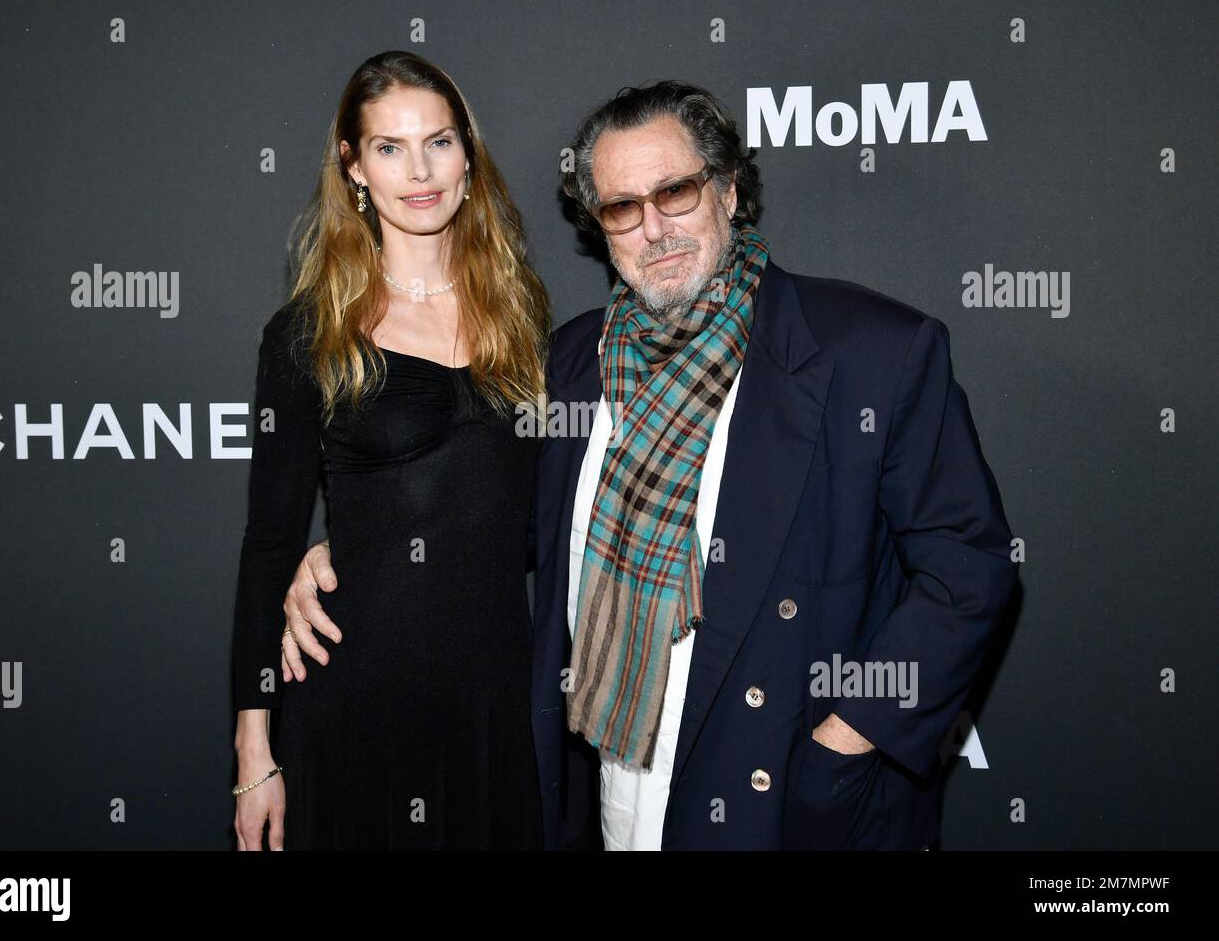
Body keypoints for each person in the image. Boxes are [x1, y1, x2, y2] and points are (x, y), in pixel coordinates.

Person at [283, 81, 1019, 851]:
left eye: (676, 191)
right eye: (622, 208)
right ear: (599, 228)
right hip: (610, 793)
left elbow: (972, 565)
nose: (655, 228)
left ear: (729, 191)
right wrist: (351, 549)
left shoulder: (868, 351)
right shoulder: (571, 363)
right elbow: (493, 521)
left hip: (780, 801)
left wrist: (851, 733)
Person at [230, 50, 550, 850]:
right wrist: (253, 754)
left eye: (439, 143)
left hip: (494, 705)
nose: (420, 170)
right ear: (353, 167)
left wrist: (363, 536)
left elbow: (537, 508)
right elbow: (270, 545)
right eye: (389, 147)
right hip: (356, 701)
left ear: (468, 158)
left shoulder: (524, 319)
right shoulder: (309, 334)